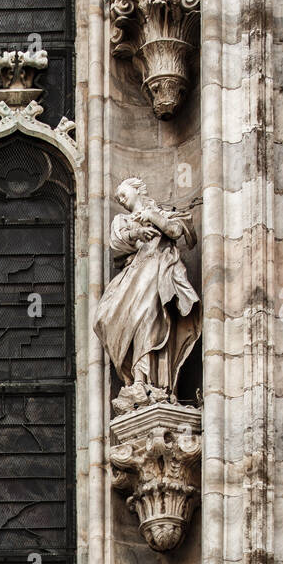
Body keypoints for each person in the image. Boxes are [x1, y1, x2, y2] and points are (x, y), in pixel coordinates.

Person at [93, 177, 200, 413]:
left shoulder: (162, 213)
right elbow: (117, 243)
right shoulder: (122, 220)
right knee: (105, 318)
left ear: (138, 189)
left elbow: (174, 230)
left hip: (157, 272)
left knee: (151, 317)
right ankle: (137, 379)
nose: (121, 200)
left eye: (124, 193)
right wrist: (137, 232)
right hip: (135, 274)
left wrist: (152, 217)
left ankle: (150, 382)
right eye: (118, 198)